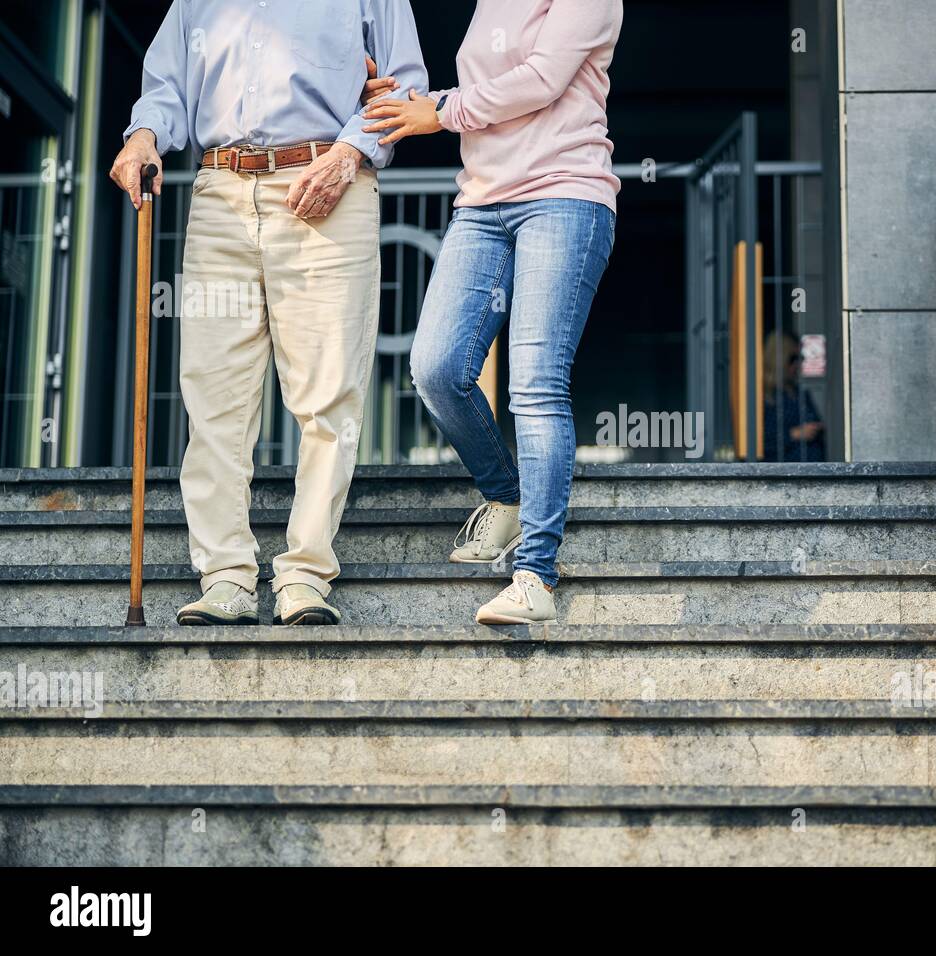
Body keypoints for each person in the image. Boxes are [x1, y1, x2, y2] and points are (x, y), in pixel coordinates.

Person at [109, 0, 427, 626]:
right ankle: (225, 576)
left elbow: (406, 87)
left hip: (329, 186)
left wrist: (350, 152)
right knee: (213, 397)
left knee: (329, 395)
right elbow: (166, 85)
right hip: (220, 194)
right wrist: (143, 135)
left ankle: (305, 575)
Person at [361, 0, 623, 625]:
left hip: (564, 194)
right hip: (482, 203)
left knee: (535, 384)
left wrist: (439, 112)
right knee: (436, 367)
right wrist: (404, 102)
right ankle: (506, 498)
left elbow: (540, 80)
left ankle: (536, 575)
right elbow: (481, 89)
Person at [763, 331, 827, 462]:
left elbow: (816, 425)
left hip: (812, 467)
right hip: (781, 470)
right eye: (793, 359)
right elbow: (758, 442)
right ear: (778, 359)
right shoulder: (763, 396)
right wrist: (793, 434)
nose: (797, 364)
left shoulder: (800, 393)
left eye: (800, 358)